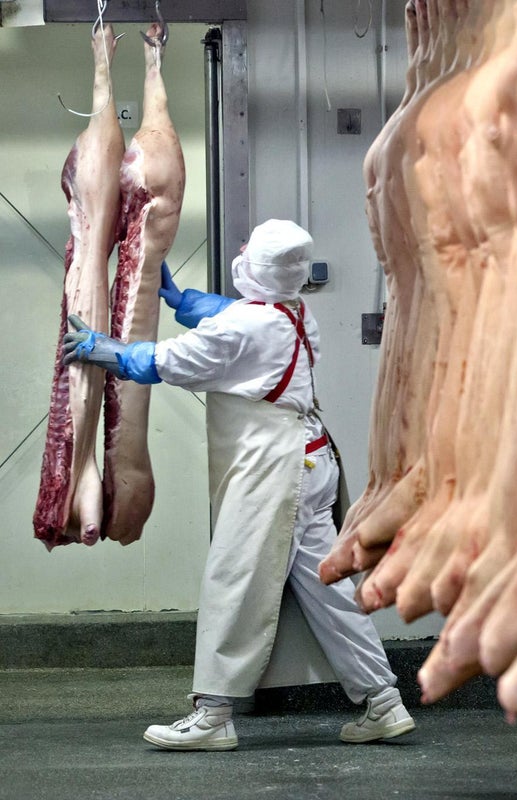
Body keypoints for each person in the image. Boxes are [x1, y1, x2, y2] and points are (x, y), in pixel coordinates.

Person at [62, 219, 414, 751]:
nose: (242, 252)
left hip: (275, 473)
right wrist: (184, 301)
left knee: (234, 579)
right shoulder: (294, 310)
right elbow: (235, 315)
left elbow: (170, 361)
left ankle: (213, 714)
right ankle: (384, 702)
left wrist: (106, 349)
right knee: (330, 591)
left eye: (249, 252)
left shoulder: (247, 329)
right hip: (311, 461)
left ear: (256, 268)